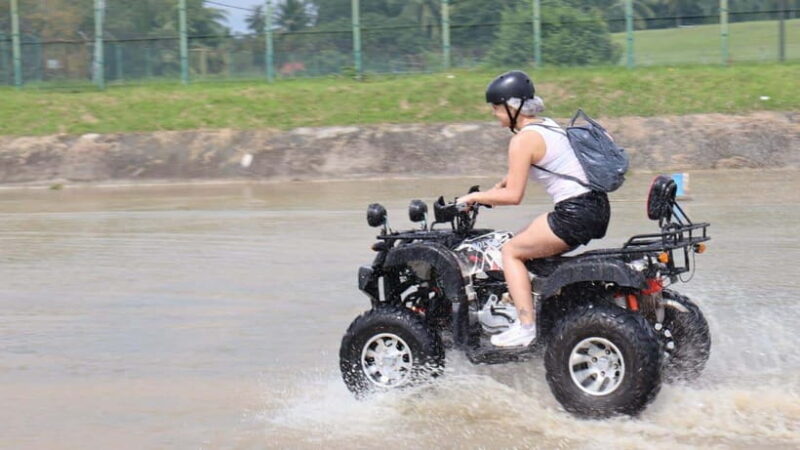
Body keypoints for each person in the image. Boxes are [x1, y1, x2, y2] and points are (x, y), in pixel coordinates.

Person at [457, 70, 610, 347]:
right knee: (521, 242)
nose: (494, 114)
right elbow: (513, 178)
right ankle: (530, 305)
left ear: (512, 106)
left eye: (496, 107)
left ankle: (526, 326)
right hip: (595, 207)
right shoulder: (548, 126)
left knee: (511, 252)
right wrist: (490, 193)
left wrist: (475, 197)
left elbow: (515, 195)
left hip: (573, 213)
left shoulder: (522, 140)